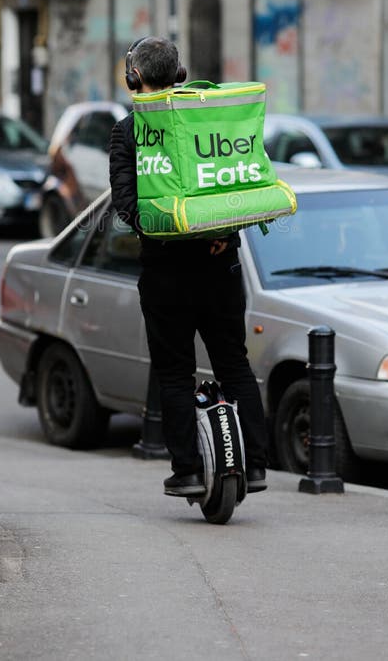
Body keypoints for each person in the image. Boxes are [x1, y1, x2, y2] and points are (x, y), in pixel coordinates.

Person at [109, 35, 268, 497]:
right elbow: (233, 182)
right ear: (180, 76)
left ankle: (189, 472)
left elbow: (127, 204)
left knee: (174, 373)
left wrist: (167, 234)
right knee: (234, 364)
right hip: (221, 267)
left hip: (166, 274)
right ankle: (255, 466)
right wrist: (217, 233)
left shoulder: (126, 131)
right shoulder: (208, 114)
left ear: (133, 77)